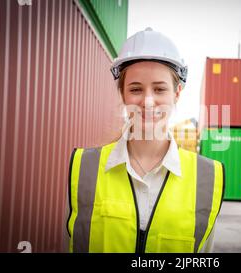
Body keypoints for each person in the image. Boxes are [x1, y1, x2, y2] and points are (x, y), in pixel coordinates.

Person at [65, 27, 224, 253]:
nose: (148, 102)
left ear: (177, 93)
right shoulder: (84, 169)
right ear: (123, 94)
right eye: (136, 89)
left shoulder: (208, 178)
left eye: (159, 89)